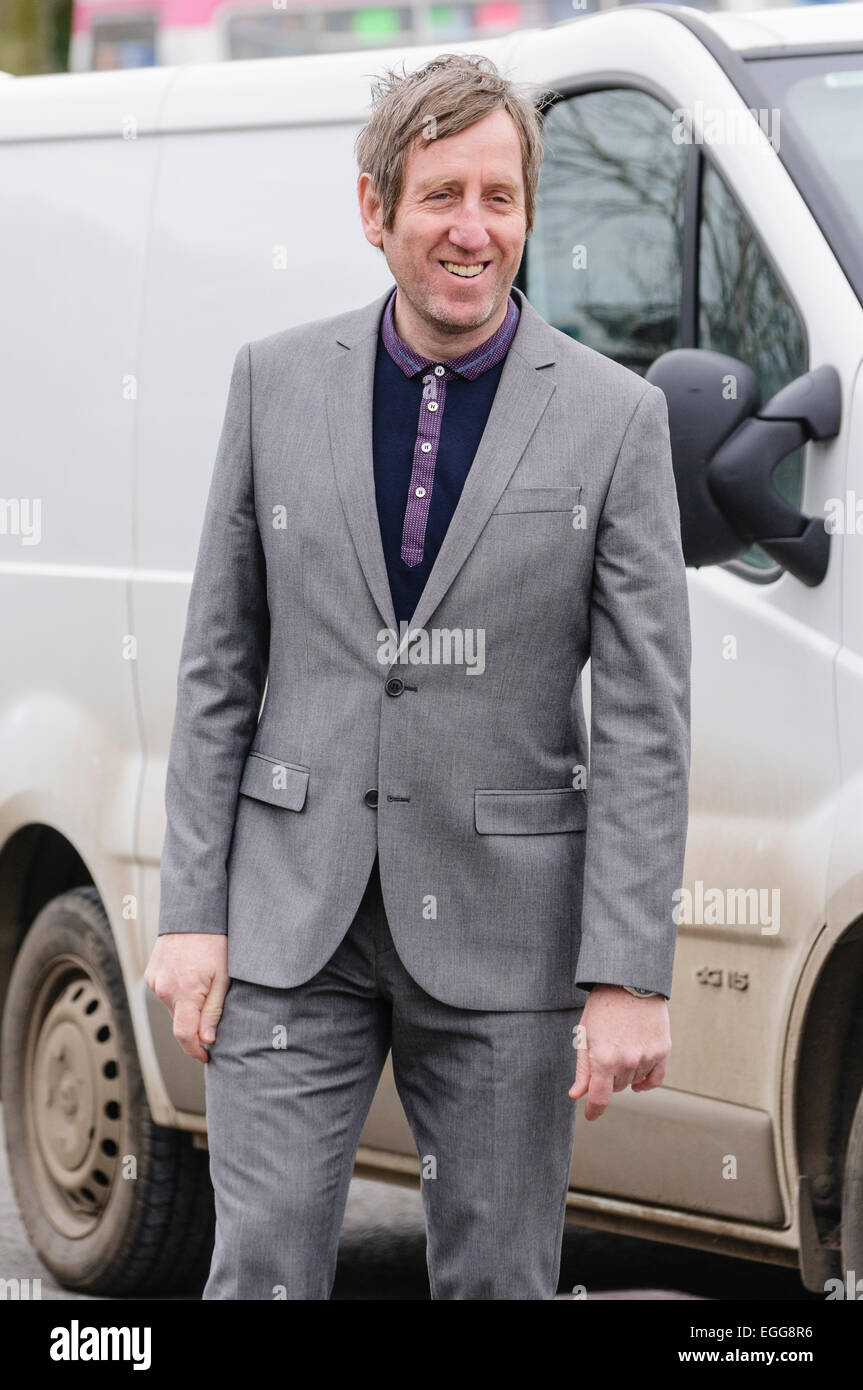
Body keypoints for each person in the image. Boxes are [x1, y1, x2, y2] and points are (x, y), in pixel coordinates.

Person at [145, 51, 691, 1301]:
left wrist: (625, 971)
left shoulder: (616, 420)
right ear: (373, 209)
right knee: (264, 1270)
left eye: (498, 198)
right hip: (292, 921)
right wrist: (192, 910)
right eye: (441, 194)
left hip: (508, 932)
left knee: (499, 1283)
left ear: (527, 215)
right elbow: (219, 664)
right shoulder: (271, 382)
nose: (470, 229)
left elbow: (650, 719)